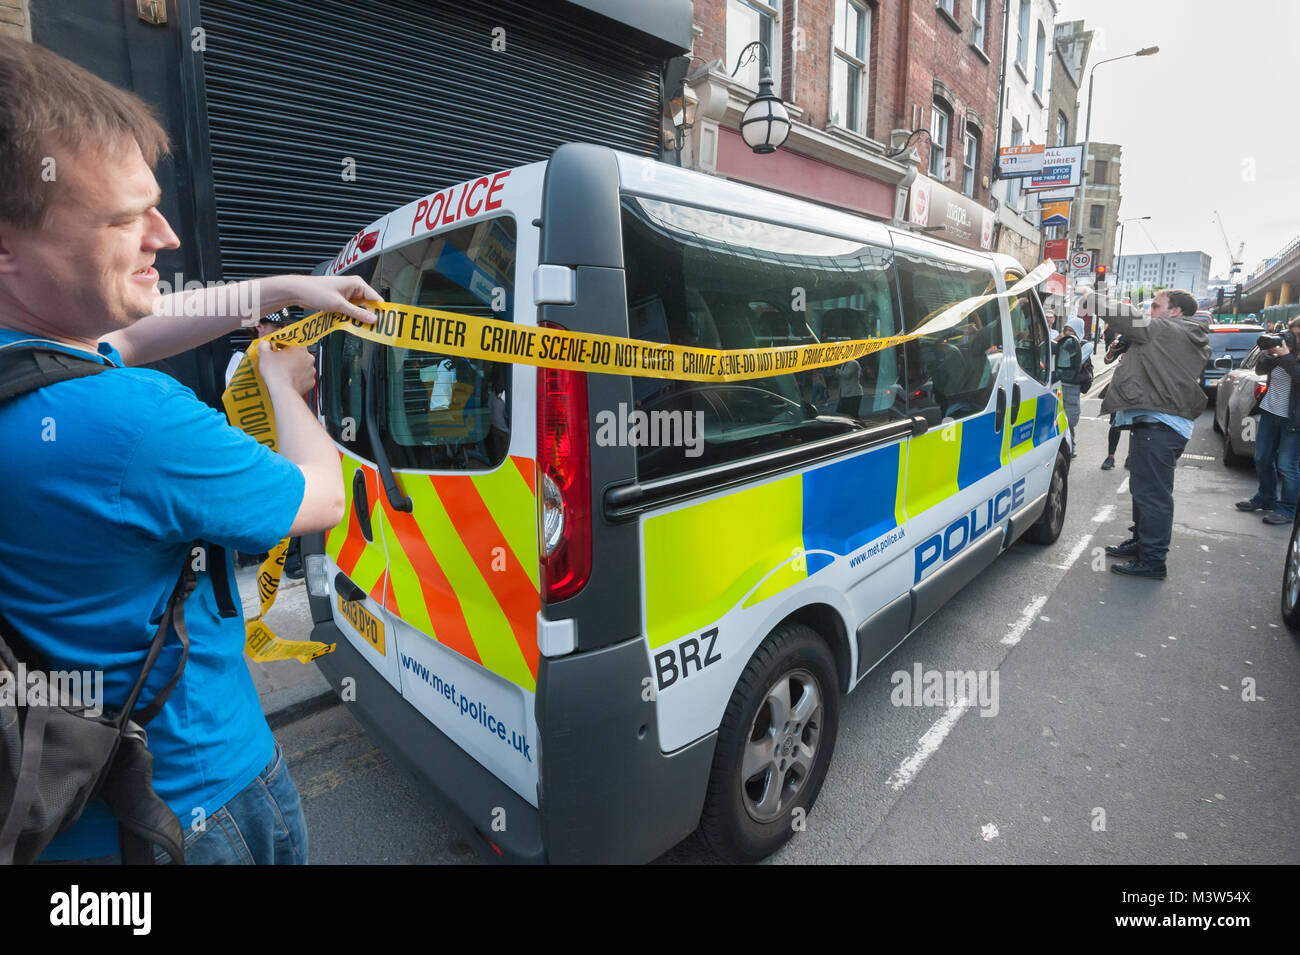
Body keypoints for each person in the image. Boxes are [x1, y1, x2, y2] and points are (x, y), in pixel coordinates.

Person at [0, 37, 379, 862]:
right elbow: (321, 497)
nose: (165, 237)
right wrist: (281, 384)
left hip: (63, 811)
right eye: (123, 219)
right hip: (199, 800)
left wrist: (278, 290)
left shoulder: (30, 370)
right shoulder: (130, 425)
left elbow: (131, 335)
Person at [1099, 289, 1211, 579]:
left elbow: (1124, 319)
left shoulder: (1168, 329)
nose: (1151, 311)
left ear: (1175, 311)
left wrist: (1090, 297)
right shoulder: (1179, 332)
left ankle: (1152, 560)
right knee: (1144, 490)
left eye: (1157, 306)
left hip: (1160, 426)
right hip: (1156, 424)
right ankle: (1142, 543)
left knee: (1153, 496)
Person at [1236, 316, 1300, 525]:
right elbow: (1260, 370)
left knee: (1287, 465)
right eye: (1291, 333)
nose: (1293, 338)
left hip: (1293, 420)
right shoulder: (1282, 352)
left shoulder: (1290, 356)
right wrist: (1268, 353)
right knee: (1262, 458)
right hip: (1271, 412)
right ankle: (1266, 497)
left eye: (1298, 335)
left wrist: (1287, 356)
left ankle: (1288, 509)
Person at [1054, 316, 1092, 457]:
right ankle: (1068, 446)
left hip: (1072, 386)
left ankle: (1071, 445)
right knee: (1058, 418)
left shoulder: (1086, 345)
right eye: (1066, 330)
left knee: (1070, 418)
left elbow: (1074, 361)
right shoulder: (1061, 342)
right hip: (1058, 383)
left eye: (1072, 330)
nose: (1068, 333)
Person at [1100, 332, 1130, 470]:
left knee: (1137, 423)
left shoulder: (1147, 341)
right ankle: (1110, 456)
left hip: (1140, 387)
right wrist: (1112, 350)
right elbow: (1107, 360)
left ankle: (1132, 456)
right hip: (1120, 385)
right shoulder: (1125, 339)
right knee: (1115, 423)